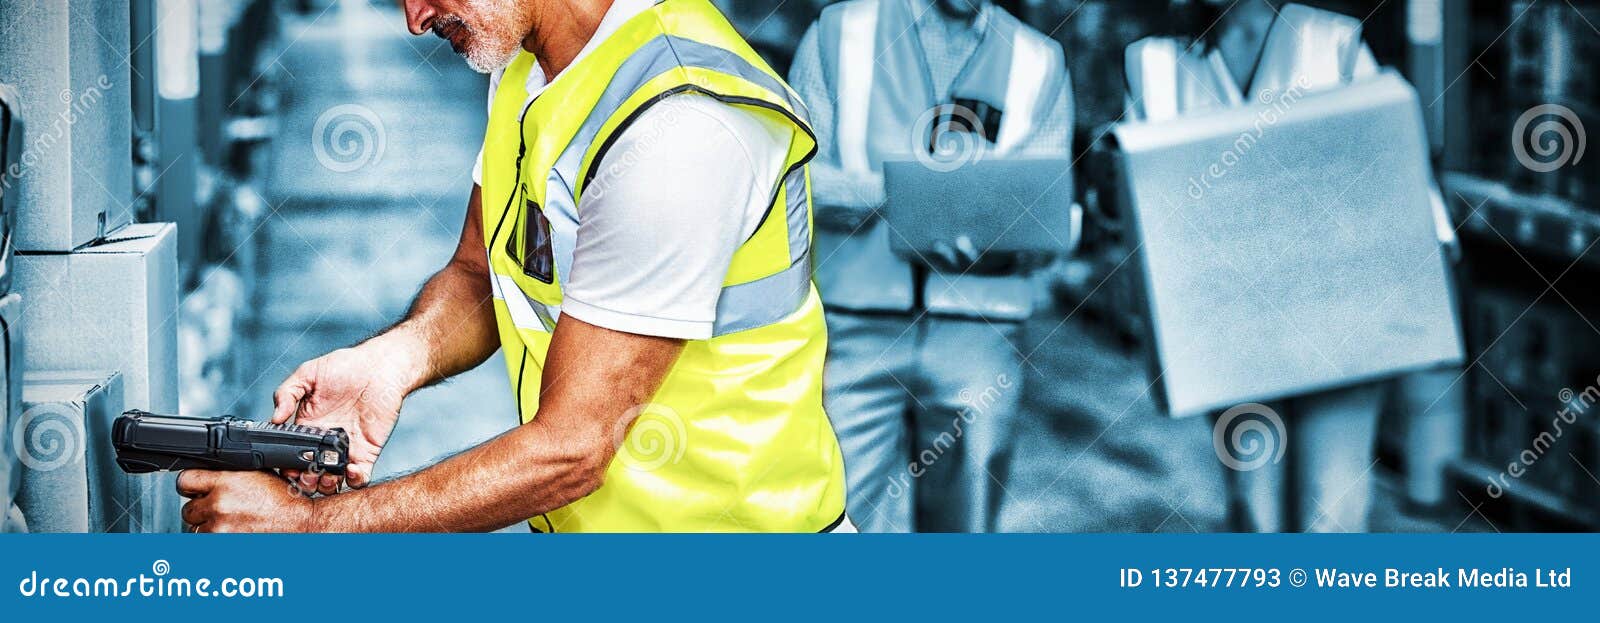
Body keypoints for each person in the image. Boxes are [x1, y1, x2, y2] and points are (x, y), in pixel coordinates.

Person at [174, 0, 851, 532]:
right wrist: (395, 359)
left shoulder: (679, 125)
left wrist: (312, 526)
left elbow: (571, 448)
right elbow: (480, 274)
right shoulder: (529, 71)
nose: (415, 18)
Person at [1122, 1, 1462, 532]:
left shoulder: (1332, 43)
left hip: (1342, 319)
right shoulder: (1156, 64)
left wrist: (1419, 298)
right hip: (1230, 327)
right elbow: (1145, 200)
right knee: (1254, 511)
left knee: (1330, 514)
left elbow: (1398, 169)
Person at [789, 0, 1073, 532]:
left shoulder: (1039, 60)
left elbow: (1048, 215)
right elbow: (790, 175)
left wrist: (995, 235)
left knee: (965, 530)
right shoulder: (838, 33)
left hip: (979, 335)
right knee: (832, 520)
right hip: (852, 329)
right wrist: (907, 198)